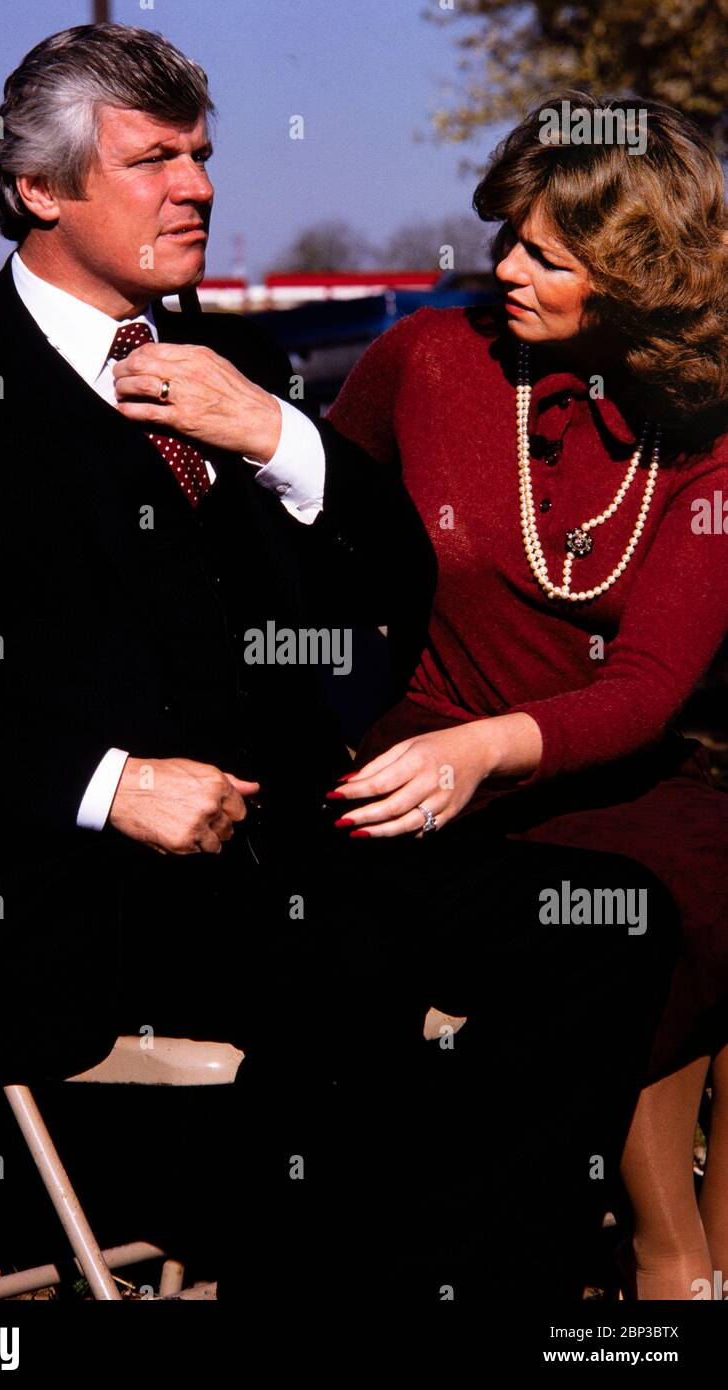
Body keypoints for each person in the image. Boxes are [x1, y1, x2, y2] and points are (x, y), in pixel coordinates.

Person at [0, 31, 679, 1301]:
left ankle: (433, 1267)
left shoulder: (237, 369)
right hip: (62, 875)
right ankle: (383, 1258)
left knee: (614, 925)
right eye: (152, 161)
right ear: (40, 190)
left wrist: (279, 441)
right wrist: (108, 781)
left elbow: (380, 601)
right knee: (349, 970)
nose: (195, 185)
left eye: (202, 155)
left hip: (293, 849)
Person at [321, 92, 728, 1300]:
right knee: (641, 912)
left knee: (704, 874)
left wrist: (498, 746)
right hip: (429, 756)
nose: (498, 267)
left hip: (597, 758)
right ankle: (669, 1257)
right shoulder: (426, 360)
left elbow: (652, 682)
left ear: (640, 274)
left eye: (544, 256)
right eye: (503, 235)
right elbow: (322, 543)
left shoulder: (704, 433)